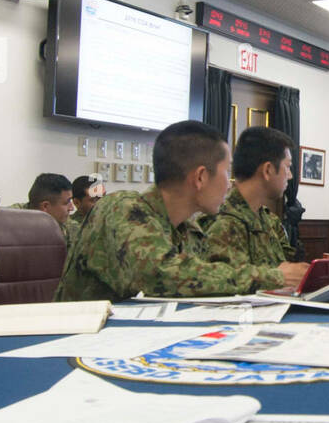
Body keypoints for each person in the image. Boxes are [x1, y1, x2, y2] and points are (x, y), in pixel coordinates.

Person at [57, 120, 307, 301]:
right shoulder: (122, 209)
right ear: (200, 177)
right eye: (226, 171)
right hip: (74, 346)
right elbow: (161, 275)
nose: (230, 182)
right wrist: (274, 277)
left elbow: (208, 281)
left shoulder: (189, 229)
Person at [203, 126, 296, 271]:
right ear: (268, 170)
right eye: (288, 167)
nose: (290, 176)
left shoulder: (269, 221)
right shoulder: (224, 224)